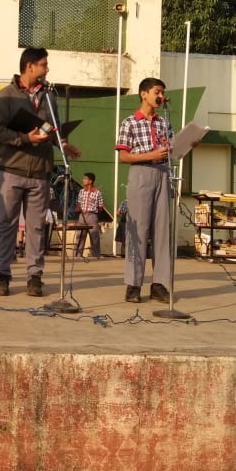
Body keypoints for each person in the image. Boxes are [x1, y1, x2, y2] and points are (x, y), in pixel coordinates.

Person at [0, 48, 79, 297]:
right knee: (6, 225)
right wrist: (24, 138)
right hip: (11, 169)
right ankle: (2, 275)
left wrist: (61, 142)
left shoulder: (48, 96)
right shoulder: (5, 96)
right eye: (43, 64)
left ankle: (35, 276)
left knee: (37, 226)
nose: (47, 69)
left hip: (40, 171)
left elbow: (50, 127)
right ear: (30, 66)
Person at [115, 77, 173, 304]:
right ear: (143, 94)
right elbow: (123, 155)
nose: (160, 96)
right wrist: (149, 155)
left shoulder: (164, 122)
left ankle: (159, 284)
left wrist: (188, 143)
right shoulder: (130, 122)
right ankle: (134, 284)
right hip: (140, 172)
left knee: (161, 231)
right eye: (157, 92)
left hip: (163, 172)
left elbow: (172, 148)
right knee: (137, 229)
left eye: (162, 93)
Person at [72, 172, 105, 259]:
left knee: (94, 236)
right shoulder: (82, 192)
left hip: (92, 216)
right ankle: (77, 255)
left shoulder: (98, 193)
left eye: (85, 179)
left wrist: (96, 216)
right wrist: (77, 210)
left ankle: (95, 255)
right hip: (82, 216)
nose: (83, 180)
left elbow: (101, 206)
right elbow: (79, 203)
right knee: (80, 236)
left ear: (90, 181)